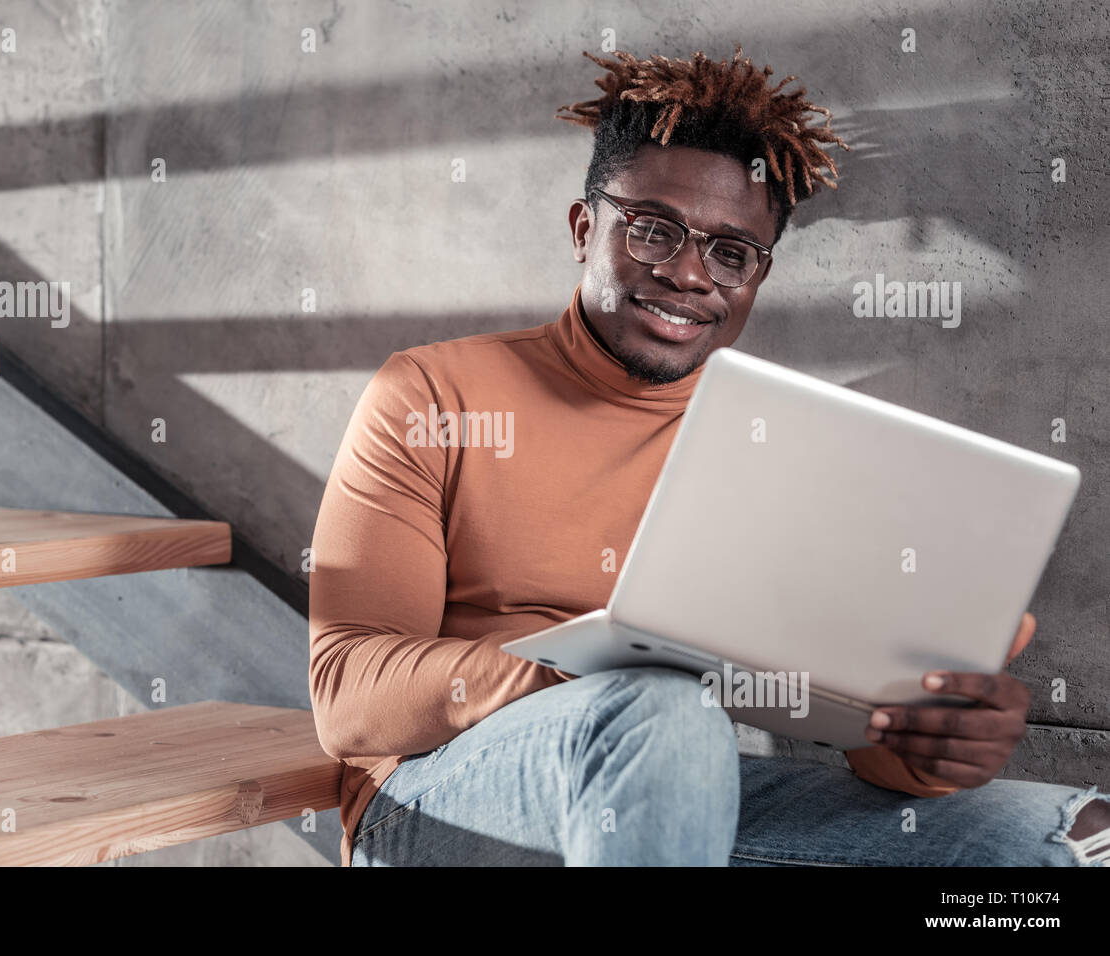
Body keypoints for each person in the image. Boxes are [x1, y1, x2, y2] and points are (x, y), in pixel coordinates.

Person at [308, 46, 1110, 866]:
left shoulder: (779, 449)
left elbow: (861, 746)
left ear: (757, 276)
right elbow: (348, 698)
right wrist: (583, 670)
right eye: (654, 230)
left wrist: (931, 745)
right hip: (436, 803)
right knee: (664, 710)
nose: (690, 273)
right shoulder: (433, 395)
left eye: (732, 252)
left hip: (675, 795)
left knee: (1065, 841)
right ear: (586, 228)